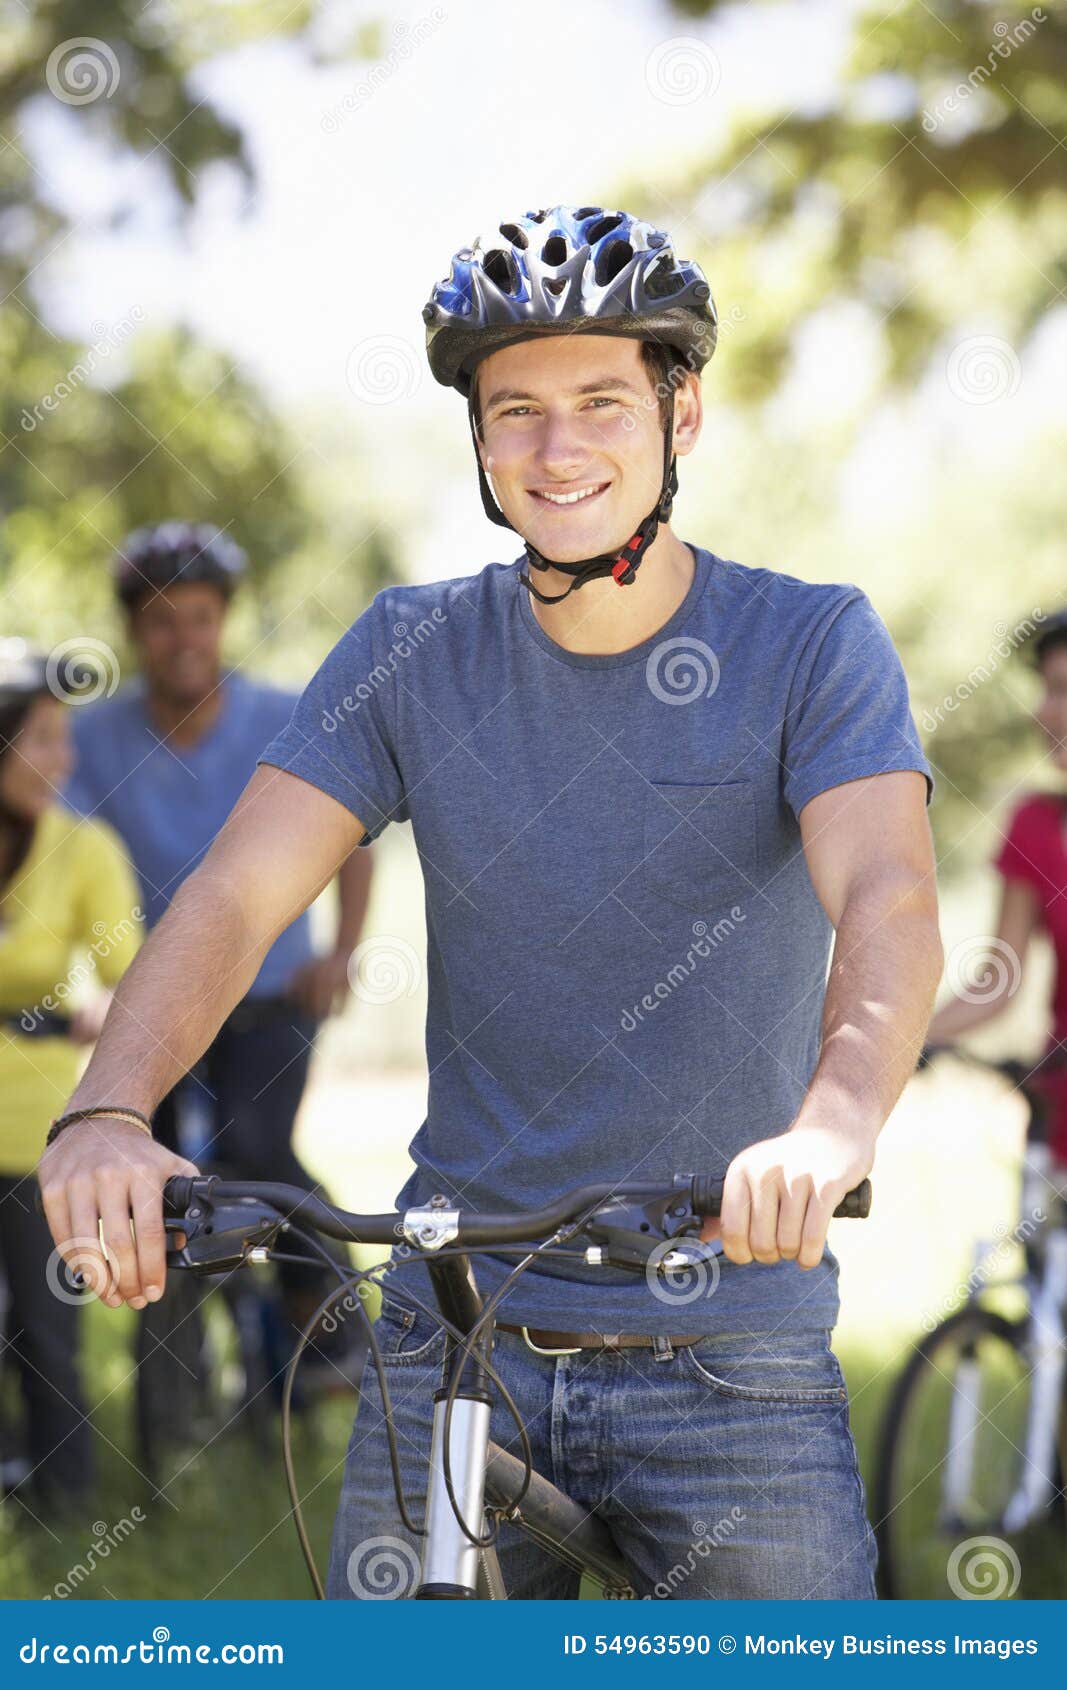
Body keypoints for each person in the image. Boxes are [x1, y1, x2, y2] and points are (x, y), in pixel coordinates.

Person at [38, 205, 941, 1599]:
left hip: (731, 1342)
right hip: (455, 1334)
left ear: (678, 411)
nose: (554, 447)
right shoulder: (410, 651)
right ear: (473, 437)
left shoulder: (807, 642)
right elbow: (232, 893)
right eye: (512, 409)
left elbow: (882, 888)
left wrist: (831, 1123)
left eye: (597, 401)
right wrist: (108, 1109)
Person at [60, 523, 373, 1380]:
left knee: (258, 1151)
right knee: (156, 1175)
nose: (182, 639)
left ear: (223, 621)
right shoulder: (94, 739)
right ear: (134, 633)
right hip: (156, 1005)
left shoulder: (280, 714)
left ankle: (332, 1333)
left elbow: (356, 839)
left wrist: (338, 955)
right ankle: (178, 1372)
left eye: (199, 617)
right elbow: (59, 850)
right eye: (162, 622)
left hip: (272, 992)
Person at [0, 639, 141, 1517]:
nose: (64, 758)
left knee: (47, 1332)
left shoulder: (84, 847)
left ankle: (68, 1507)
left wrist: (103, 1010)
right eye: (43, 738)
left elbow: (137, 975)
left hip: (34, 1124)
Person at [927, 609, 1067, 1167]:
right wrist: (900, 1048)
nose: (1045, 711)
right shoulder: (1036, 824)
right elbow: (996, 982)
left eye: (1064, 690)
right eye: (1046, 690)